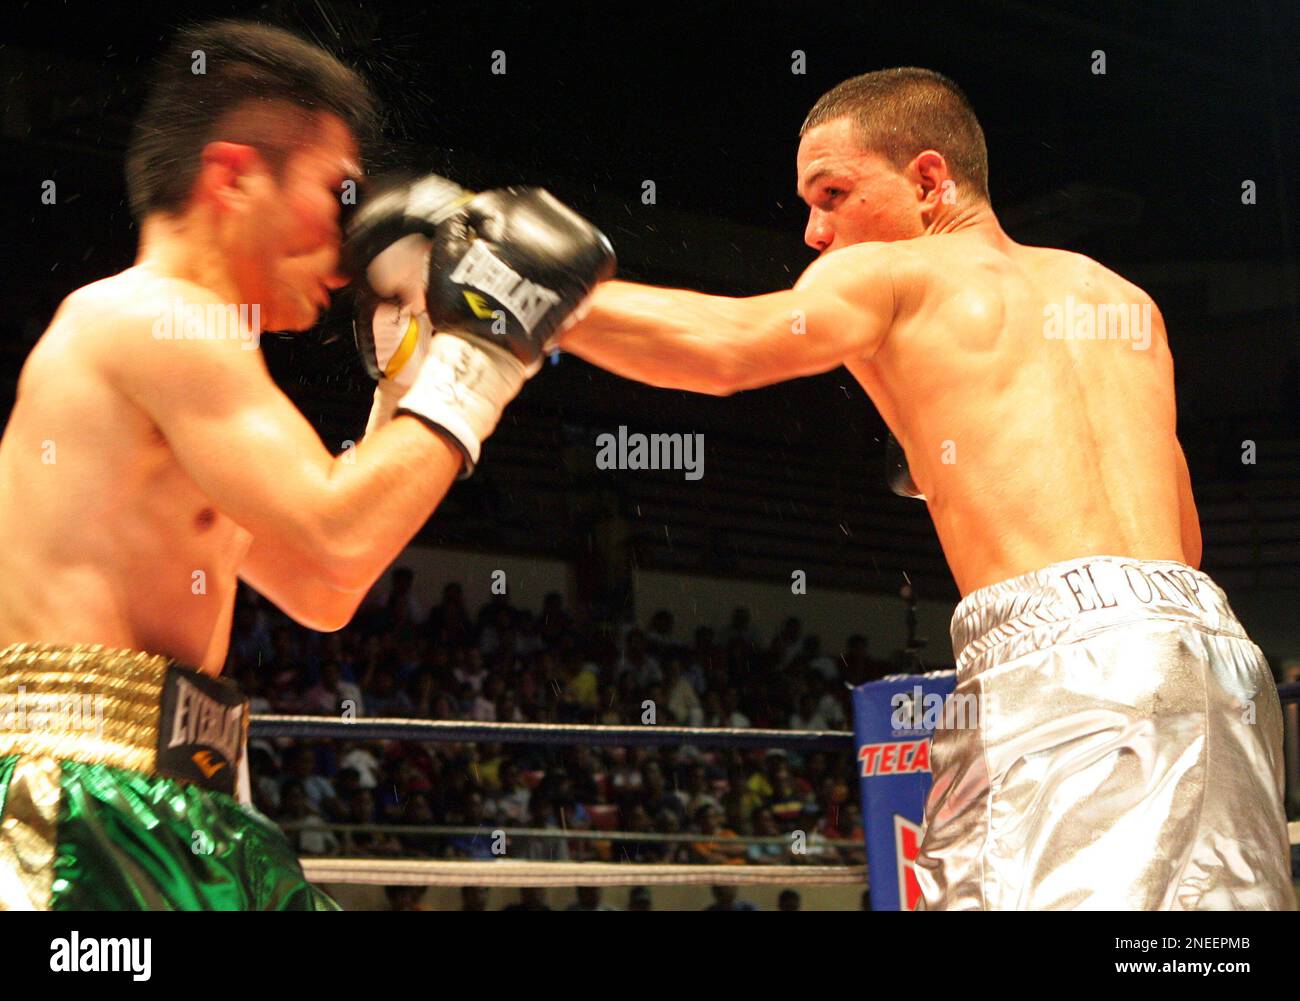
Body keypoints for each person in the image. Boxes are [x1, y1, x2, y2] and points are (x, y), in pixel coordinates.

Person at [559, 67, 1292, 910]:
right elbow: (1183, 544)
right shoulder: (1120, 299)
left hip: (1064, 666)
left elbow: (731, 348)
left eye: (832, 193)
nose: (814, 230)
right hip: (1213, 654)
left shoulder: (887, 274)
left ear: (929, 179)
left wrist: (544, 302)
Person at [0, 19, 612, 911]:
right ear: (234, 175)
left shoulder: (190, 356)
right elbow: (337, 536)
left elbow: (327, 586)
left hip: (181, 798)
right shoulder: (155, 318)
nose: (347, 236)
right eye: (337, 190)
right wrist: (482, 349)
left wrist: (413, 367)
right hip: (88, 803)